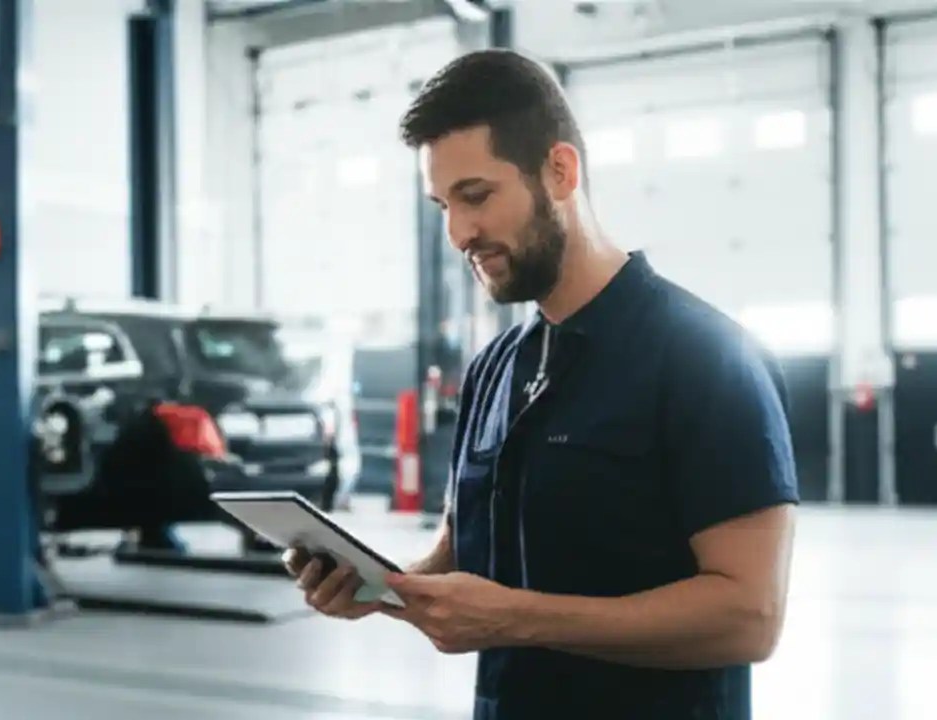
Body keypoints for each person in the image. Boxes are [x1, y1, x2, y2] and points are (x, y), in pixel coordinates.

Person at [285, 48, 799, 720]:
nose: (459, 232)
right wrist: (379, 587)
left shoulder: (705, 356)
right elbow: (462, 552)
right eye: (442, 205)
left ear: (560, 171)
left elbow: (749, 616)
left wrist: (519, 620)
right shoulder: (495, 368)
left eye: (476, 196)